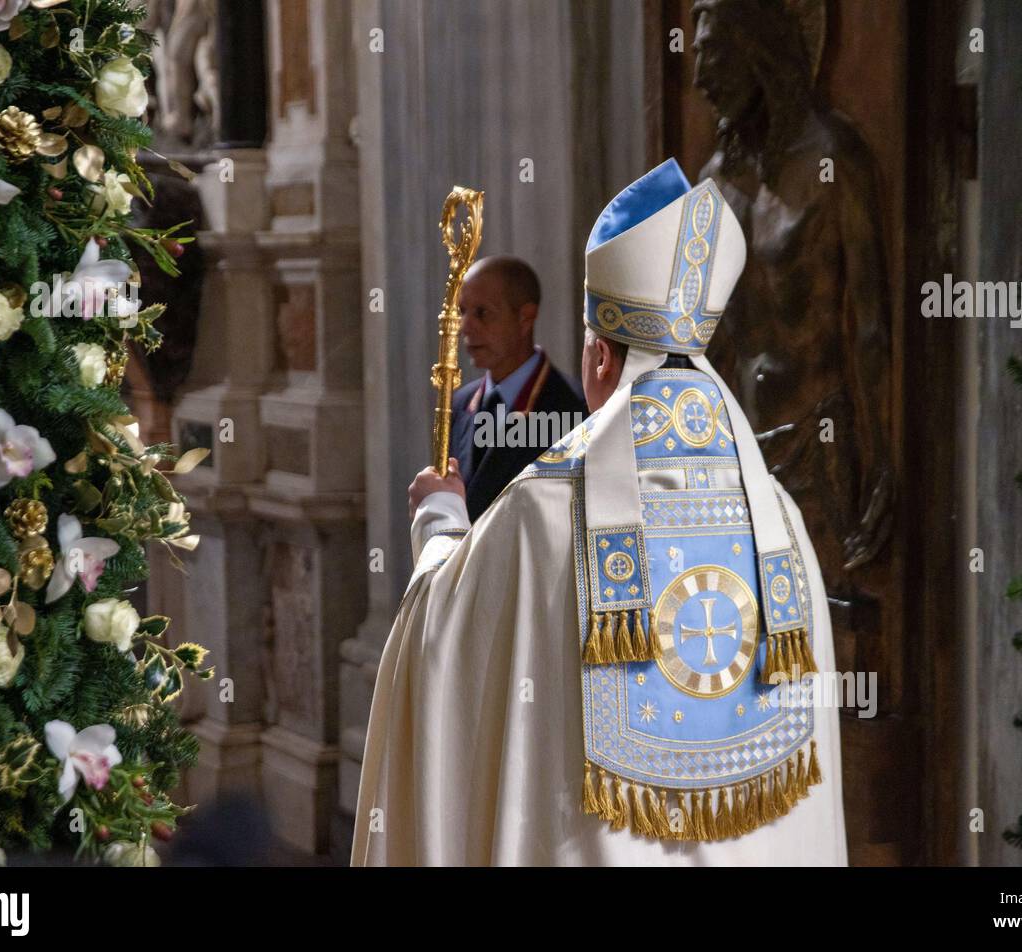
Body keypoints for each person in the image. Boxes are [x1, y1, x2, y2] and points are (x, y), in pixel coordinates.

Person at [352, 160, 847, 865]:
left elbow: (437, 654)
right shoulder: (780, 520)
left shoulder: (544, 514)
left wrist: (439, 521)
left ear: (601, 358)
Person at [450, 255, 587, 522]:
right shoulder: (459, 403)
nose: (465, 327)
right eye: (462, 311)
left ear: (525, 317)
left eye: (482, 313)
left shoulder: (573, 409)